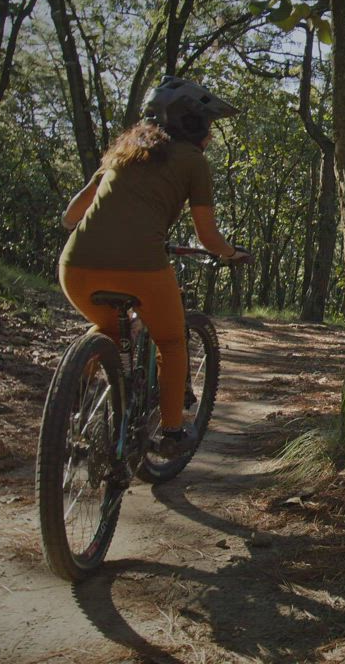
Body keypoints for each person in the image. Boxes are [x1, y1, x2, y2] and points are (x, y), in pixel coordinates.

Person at [58, 76, 248, 457]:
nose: (209, 134)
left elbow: (70, 217)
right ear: (191, 124)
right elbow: (208, 237)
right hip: (142, 268)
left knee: (111, 328)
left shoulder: (123, 153)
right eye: (207, 125)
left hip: (75, 267)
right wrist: (231, 254)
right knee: (173, 340)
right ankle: (174, 432)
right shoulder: (193, 161)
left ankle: (75, 386)